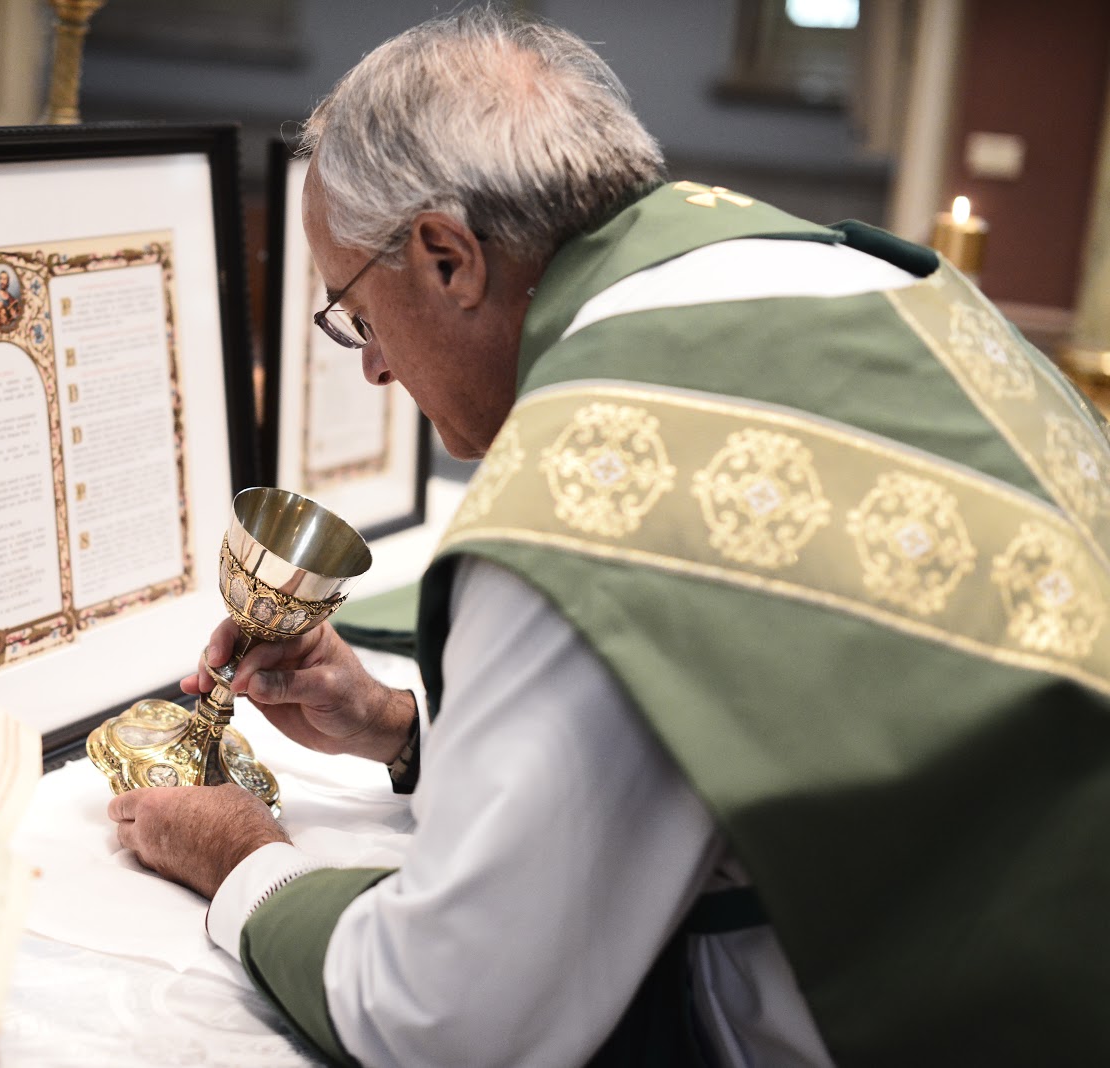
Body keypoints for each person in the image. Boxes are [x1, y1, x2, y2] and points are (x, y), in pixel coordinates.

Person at [106, 9, 1110, 1066]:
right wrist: (403, 730)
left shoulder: (581, 493)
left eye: (356, 312)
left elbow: (443, 1022)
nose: (372, 368)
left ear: (447, 257)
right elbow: (759, 707)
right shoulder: (876, 282)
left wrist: (244, 860)